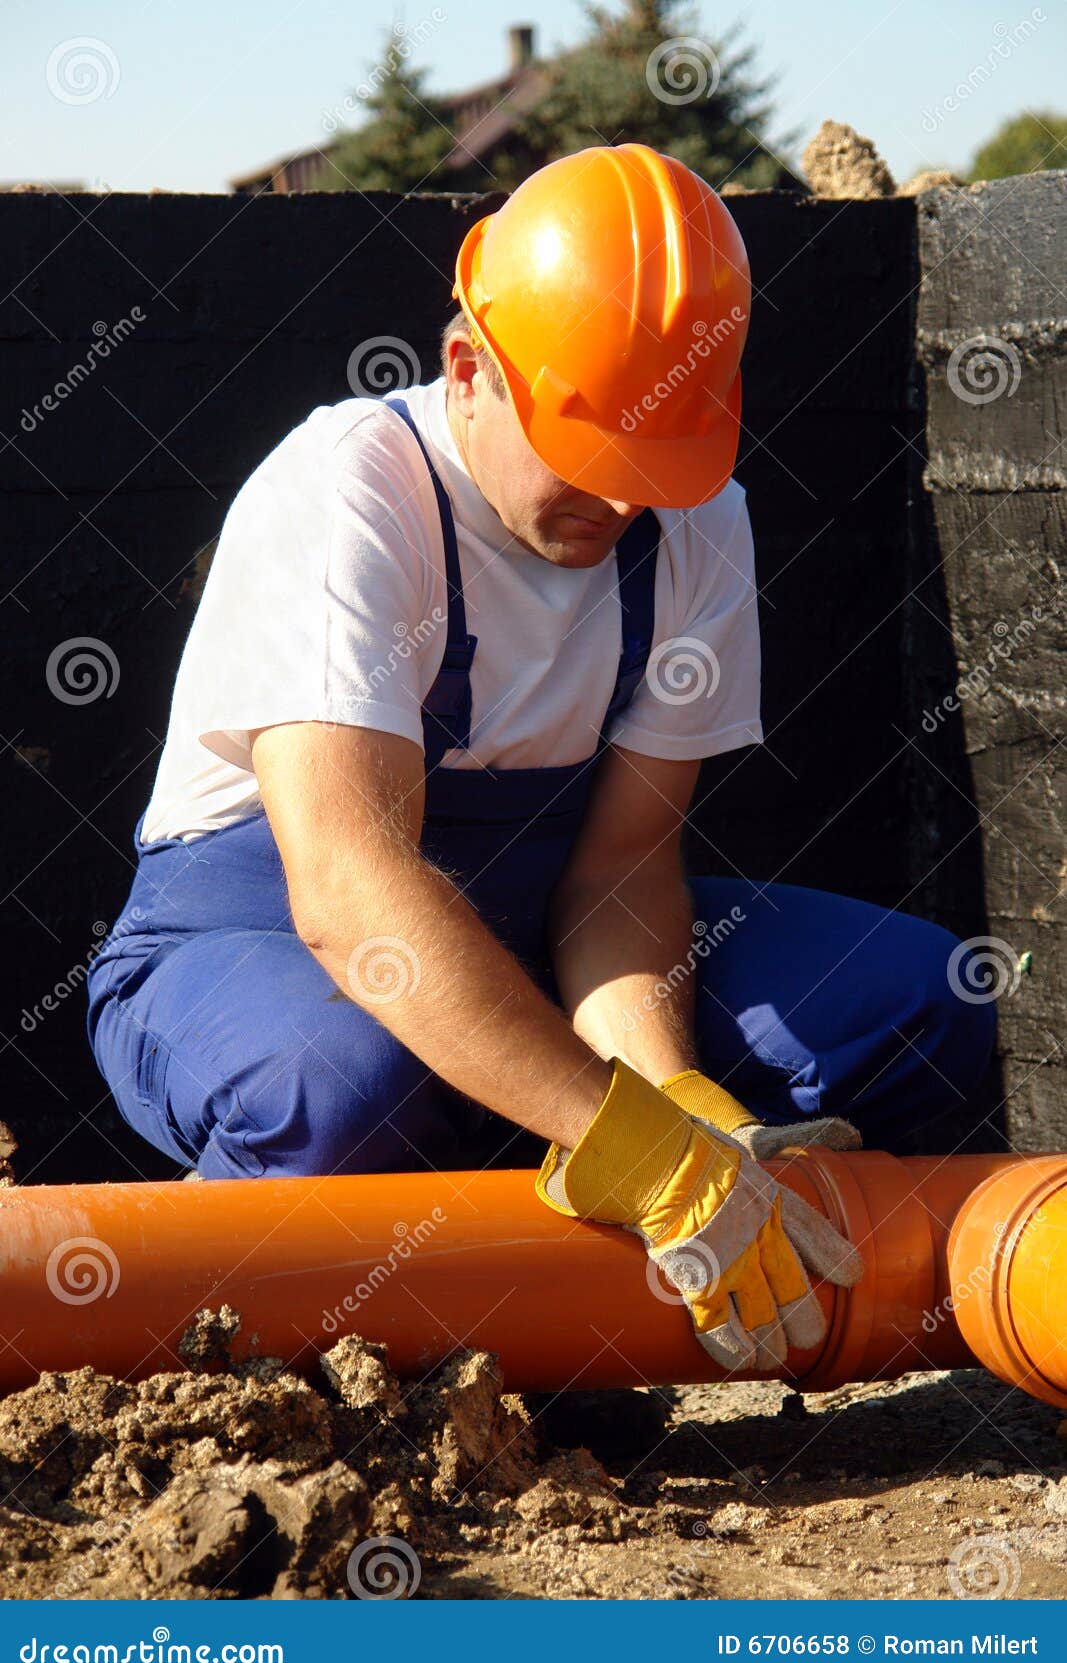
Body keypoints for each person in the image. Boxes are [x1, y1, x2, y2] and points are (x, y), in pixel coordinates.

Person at [86, 143, 996, 1372]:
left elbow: (619, 876)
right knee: (337, 1085)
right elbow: (353, 900)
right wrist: (633, 1150)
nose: (622, 507)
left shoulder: (688, 514)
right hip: (250, 944)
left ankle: (602, 1271)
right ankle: (221, 1342)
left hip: (532, 947)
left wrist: (673, 1102)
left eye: (652, 468)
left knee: (930, 999)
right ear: (469, 368)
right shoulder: (348, 492)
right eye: (591, 459)